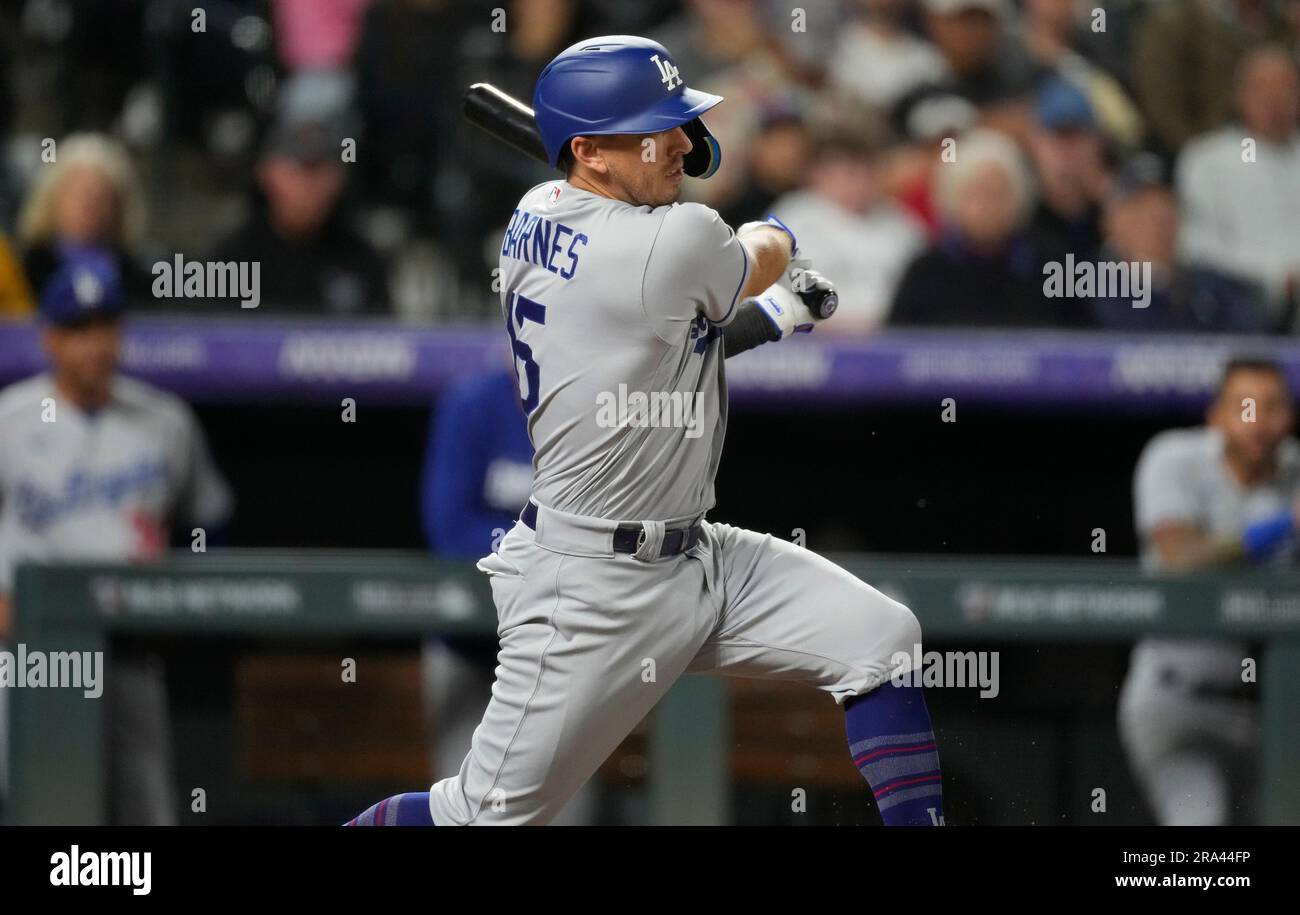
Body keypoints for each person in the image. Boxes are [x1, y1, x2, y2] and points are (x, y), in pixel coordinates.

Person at [346, 35, 942, 826]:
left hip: (698, 555)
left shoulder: (533, 215)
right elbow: (762, 248)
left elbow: (675, 339)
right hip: (590, 585)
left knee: (882, 637)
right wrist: (772, 238)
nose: (679, 144)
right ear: (588, 150)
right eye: (651, 129)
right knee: (478, 818)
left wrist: (778, 314)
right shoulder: (677, 238)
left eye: (677, 124)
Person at [0, 255, 234, 823]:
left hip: (131, 641)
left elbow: (209, 521)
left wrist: (182, 598)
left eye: (105, 326)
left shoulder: (164, 420)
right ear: (50, 339)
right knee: (32, 802)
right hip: (31, 644)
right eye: (78, 330)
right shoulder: (10, 417)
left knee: (146, 805)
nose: (95, 345)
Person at [1120, 357, 1300, 825]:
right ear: (1216, 415)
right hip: (1178, 697)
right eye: (1243, 406)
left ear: (1291, 418)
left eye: (1272, 406)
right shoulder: (1174, 457)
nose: (1257, 420)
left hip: (1274, 711)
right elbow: (1180, 558)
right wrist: (1284, 526)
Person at [891, 128, 1080, 327]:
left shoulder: (1052, 264)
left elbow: (1085, 342)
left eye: (997, 193)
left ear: (1019, 196)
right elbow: (897, 346)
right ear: (953, 199)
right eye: (976, 194)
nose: (987, 207)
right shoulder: (926, 272)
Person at [207, 112, 390, 315]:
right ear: (266, 172)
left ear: (339, 178)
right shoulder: (230, 261)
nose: (308, 185)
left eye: (320, 169)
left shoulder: (363, 261)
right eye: (297, 168)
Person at [1175, 45, 1300, 330]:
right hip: (1237, 300)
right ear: (1240, 95)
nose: (1274, 99)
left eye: (1285, 88)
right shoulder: (1207, 158)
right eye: (1262, 88)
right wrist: (1277, 275)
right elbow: (1197, 248)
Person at [770, 119, 926, 332]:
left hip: (890, 341)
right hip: (811, 343)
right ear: (817, 174)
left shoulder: (902, 225)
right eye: (848, 172)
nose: (858, 181)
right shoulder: (794, 217)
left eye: (866, 171)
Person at [1091, 153, 1267, 332]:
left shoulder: (1213, 289)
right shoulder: (1086, 289)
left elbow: (1252, 343)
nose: (1156, 218)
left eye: (1165, 203)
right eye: (1140, 206)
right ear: (1110, 220)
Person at [16, 133, 152, 306]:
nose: (88, 206)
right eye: (77, 194)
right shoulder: (21, 273)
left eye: (100, 197)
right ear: (51, 199)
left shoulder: (136, 279)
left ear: (118, 206)